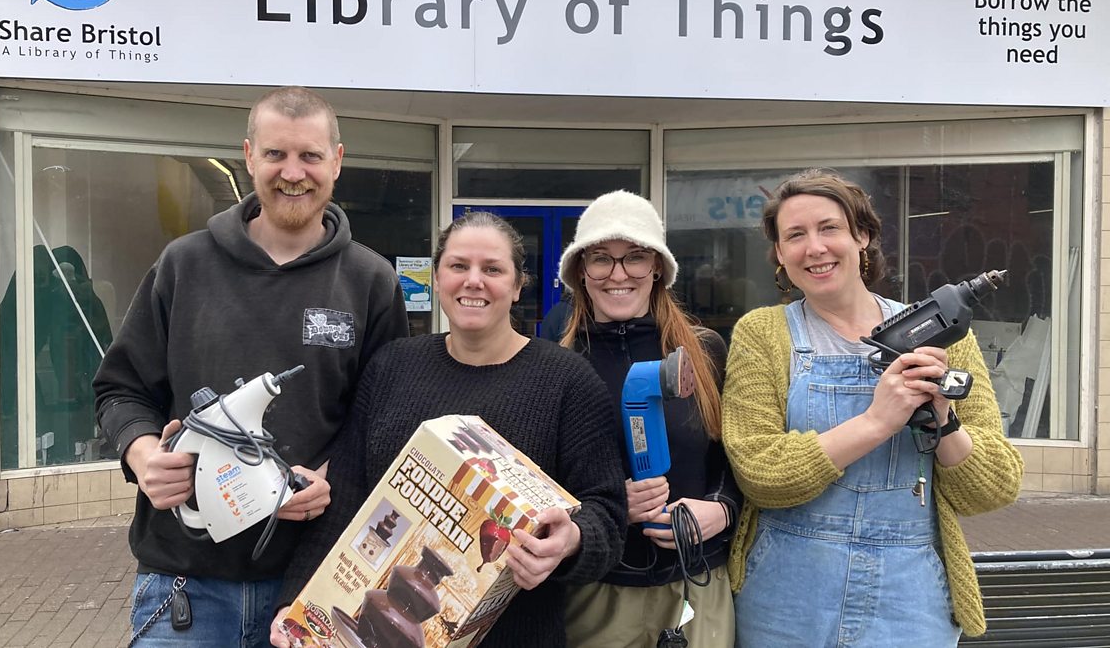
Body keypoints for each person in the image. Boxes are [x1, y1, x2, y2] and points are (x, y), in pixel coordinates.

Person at [93, 86, 409, 646]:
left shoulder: (371, 281)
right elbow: (121, 389)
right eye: (275, 155)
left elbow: (385, 418)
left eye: (310, 155)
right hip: (184, 585)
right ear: (248, 156)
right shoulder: (183, 265)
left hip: (315, 584)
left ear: (336, 161)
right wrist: (143, 455)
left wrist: (336, 475)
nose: (293, 173)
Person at [270, 211, 628, 648]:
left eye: (492, 269)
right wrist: (296, 602)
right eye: (458, 266)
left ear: (517, 287)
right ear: (437, 278)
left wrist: (571, 540)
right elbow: (345, 499)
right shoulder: (391, 367)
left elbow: (607, 515)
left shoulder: (568, 382)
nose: (473, 281)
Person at [722, 169, 1023, 645]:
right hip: (786, 594)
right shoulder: (763, 334)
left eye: (829, 228)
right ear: (780, 254)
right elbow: (761, 475)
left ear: (862, 236)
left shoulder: (942, 336)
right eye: (794, 235)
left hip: (909, 596)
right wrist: (877, 421)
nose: (814, 248)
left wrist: (943, 418)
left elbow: (992, 488)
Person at [557, 191, 740, 648]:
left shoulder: (704, 352)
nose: (618, 275)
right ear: (581, 270)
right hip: (596, 593)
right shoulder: (555, 364)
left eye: (635, 257)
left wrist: (721, 510)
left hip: (696, 588)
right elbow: (538, 484)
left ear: (657, 266)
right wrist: (603, 508)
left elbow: (736, 458)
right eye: (601, 259)